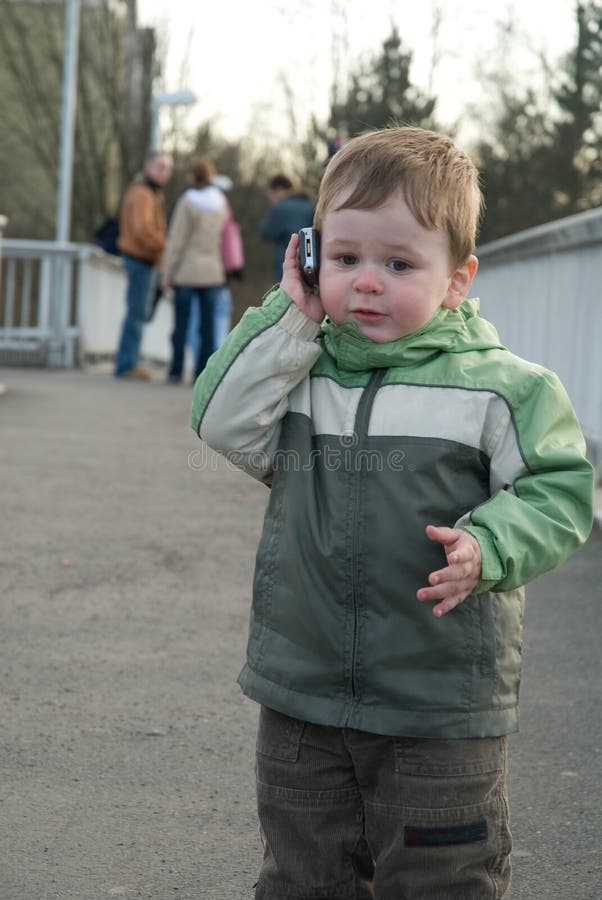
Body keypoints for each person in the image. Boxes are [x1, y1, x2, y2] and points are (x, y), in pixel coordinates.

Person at [190, 126, 594, 898]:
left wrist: (490, 544)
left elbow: (558, 491)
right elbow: (220, 421)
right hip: (304, 695)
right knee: (302, 877)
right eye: (345, 259)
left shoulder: (502, 388)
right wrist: (290, 314)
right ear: (313, 258)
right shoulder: (300, 372)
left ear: (457, 280)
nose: (367, 283)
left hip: (437, 705)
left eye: (399, 264)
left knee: (441, 878)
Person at [161, 157, 229, 383]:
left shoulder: (188, 202)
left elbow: (177, 241)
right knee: (207, 326)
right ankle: (203, 373)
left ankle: (176, 370)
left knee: (181, 325)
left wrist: (167, 273)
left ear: (192, 176)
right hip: (212, 271)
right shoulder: (221, 203)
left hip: (187, 272)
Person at [114, 150, 173, 379]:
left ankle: (128, 362)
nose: (164, 172)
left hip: (144, 260)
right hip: (140, 259)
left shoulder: (149, 193)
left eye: (168, 168)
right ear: (148, 167)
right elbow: (142, 230)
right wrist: (165, 246)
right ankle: (127, 365)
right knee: (137, 313)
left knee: (137, 313)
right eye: (160, 167)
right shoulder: (143, 194)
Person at [258, 173, 314, 283]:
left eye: (271, 194)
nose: (271, 199)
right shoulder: (310, 205)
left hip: (286, 266)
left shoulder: (280, 208)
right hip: (310, 265)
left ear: (278, 189)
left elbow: (265, 232)